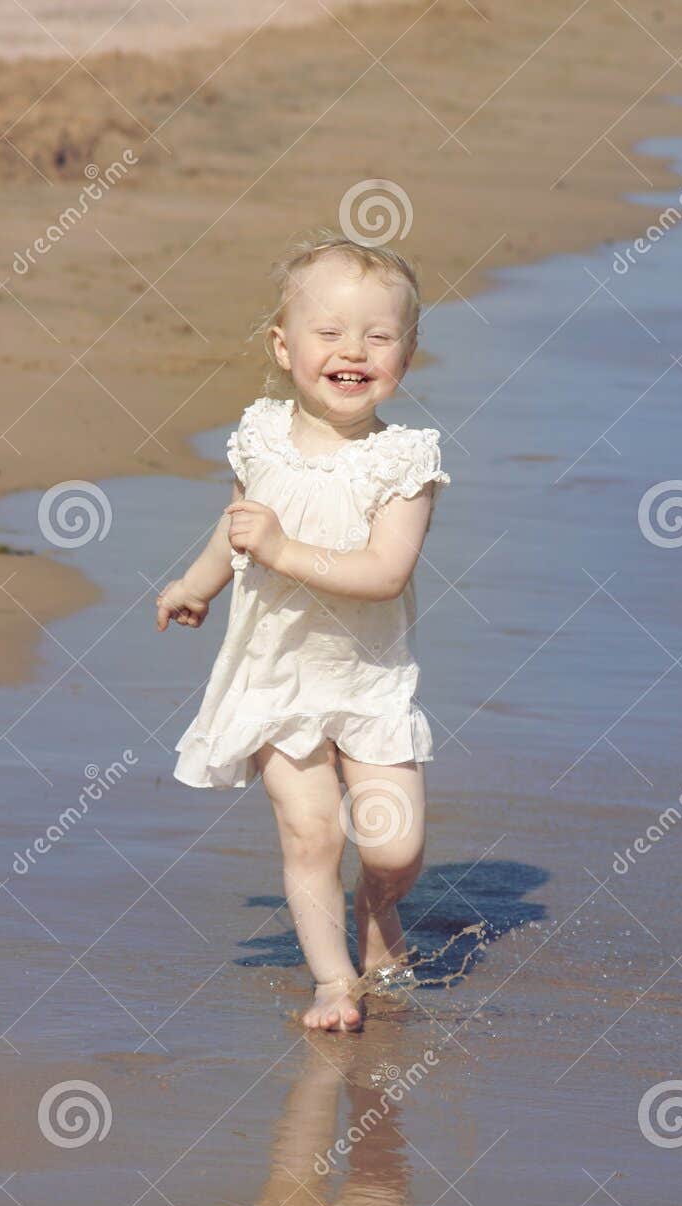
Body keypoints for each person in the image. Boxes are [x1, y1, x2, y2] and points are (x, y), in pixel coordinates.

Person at [156, 229, 451, 1031]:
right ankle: (332, 984)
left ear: (407, 356)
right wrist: (197, 583)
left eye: (378, 336)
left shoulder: (405, 462)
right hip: (277, 675)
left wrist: (284, 549)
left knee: (394, 847)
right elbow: (238, 527)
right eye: (329, 333)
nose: (352, 351)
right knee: (311, 830)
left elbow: (385, 572)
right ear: (284, 347)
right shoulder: (260, 436)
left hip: (368, 678)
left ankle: (376, 910)